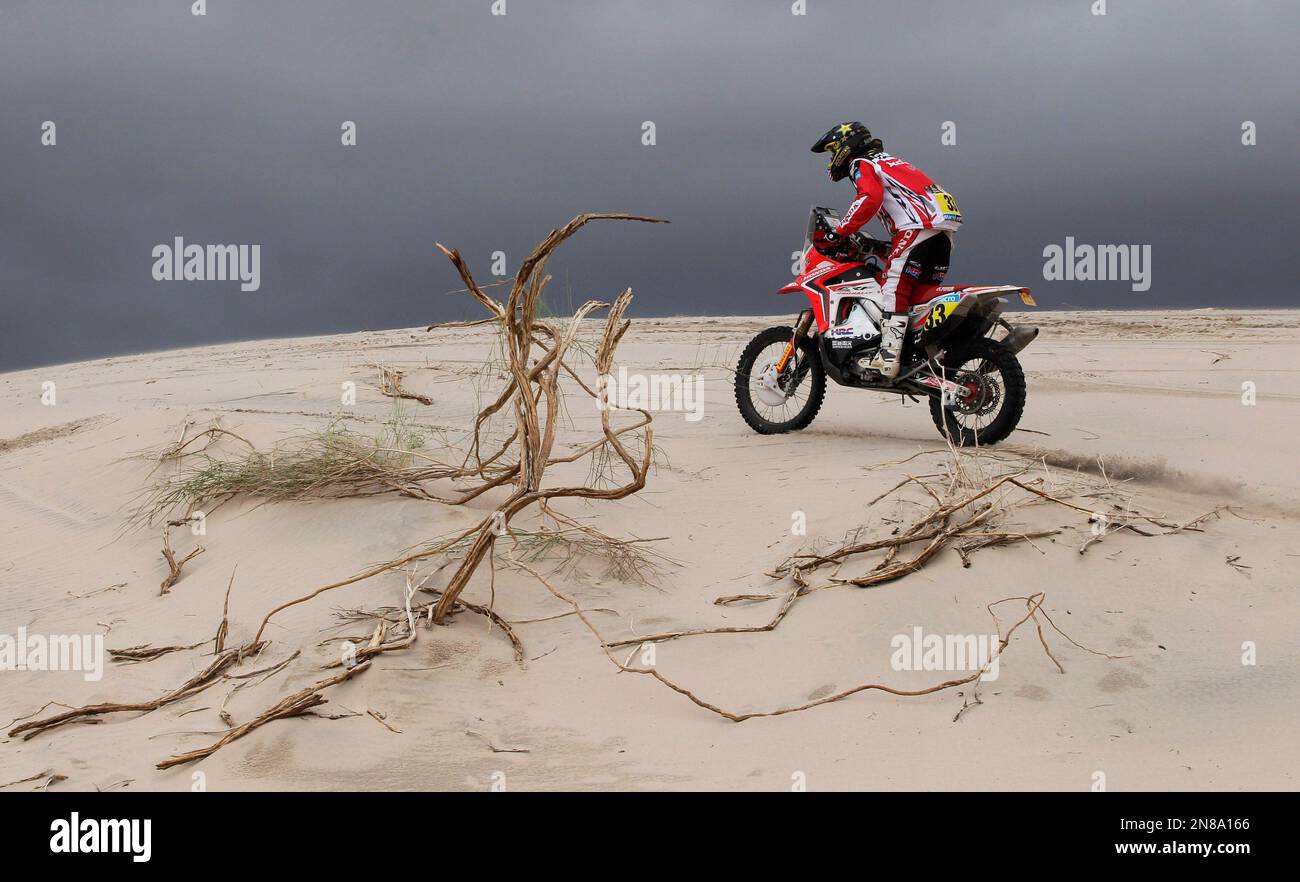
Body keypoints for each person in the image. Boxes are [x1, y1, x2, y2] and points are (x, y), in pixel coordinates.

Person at [811, 122, 963, 378]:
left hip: (918, 226)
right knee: (917, 296)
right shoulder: (890, 161)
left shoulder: (861, 163)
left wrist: (840, 231)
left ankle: (888, 357)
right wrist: (881, 247)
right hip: (941, 232)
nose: (831, 160)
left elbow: (869, 197)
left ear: (843, 145)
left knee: (894, 287)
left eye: (831, 151)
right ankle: (919, 356)